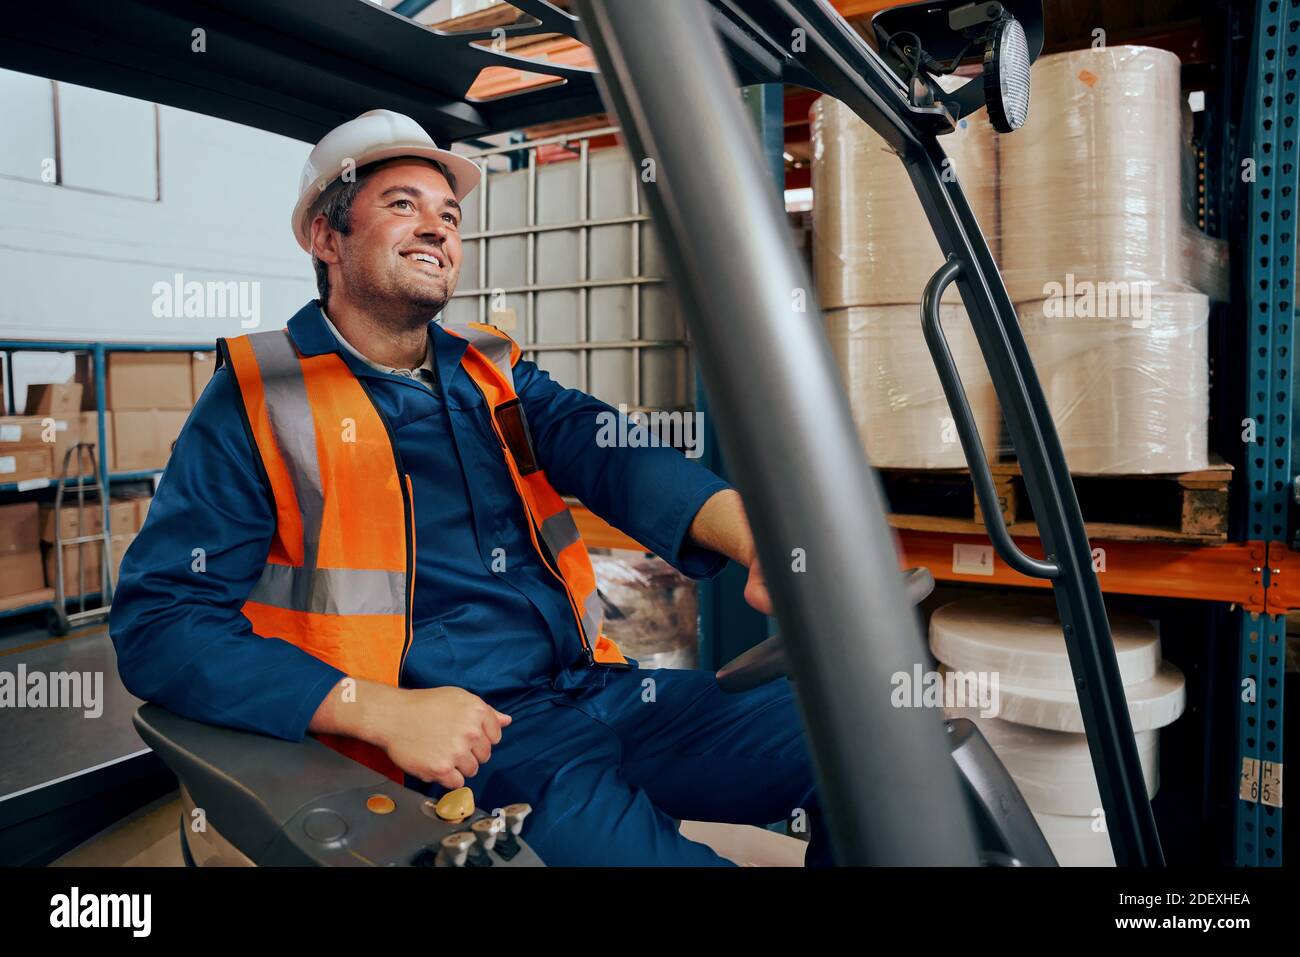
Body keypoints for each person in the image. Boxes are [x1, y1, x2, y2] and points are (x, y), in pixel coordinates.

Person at [111, 109, 831, 866]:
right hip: (462, 743)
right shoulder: (259, 402)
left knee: (869, 746)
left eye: (447, 213)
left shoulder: (493, 373)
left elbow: (609, 450)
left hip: (597, 690)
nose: (436, 227)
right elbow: (162, 621)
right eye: (402, 205)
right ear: (326, 239)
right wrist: (378, 710)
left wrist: (757, 539)